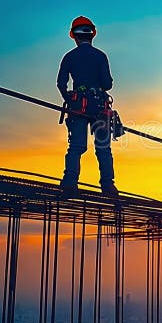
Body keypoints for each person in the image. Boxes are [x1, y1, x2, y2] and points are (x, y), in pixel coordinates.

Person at [57, 16, 119, 197]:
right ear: (92, 35)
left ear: (74, 36)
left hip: (78, 108)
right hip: (99, 107)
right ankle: (108, 186)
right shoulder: (100, 56)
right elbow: (107, 84)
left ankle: (69, 181)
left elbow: (61, 83)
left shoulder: (69, 57)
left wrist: (69, 99)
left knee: (76, 147)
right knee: (103, 149)